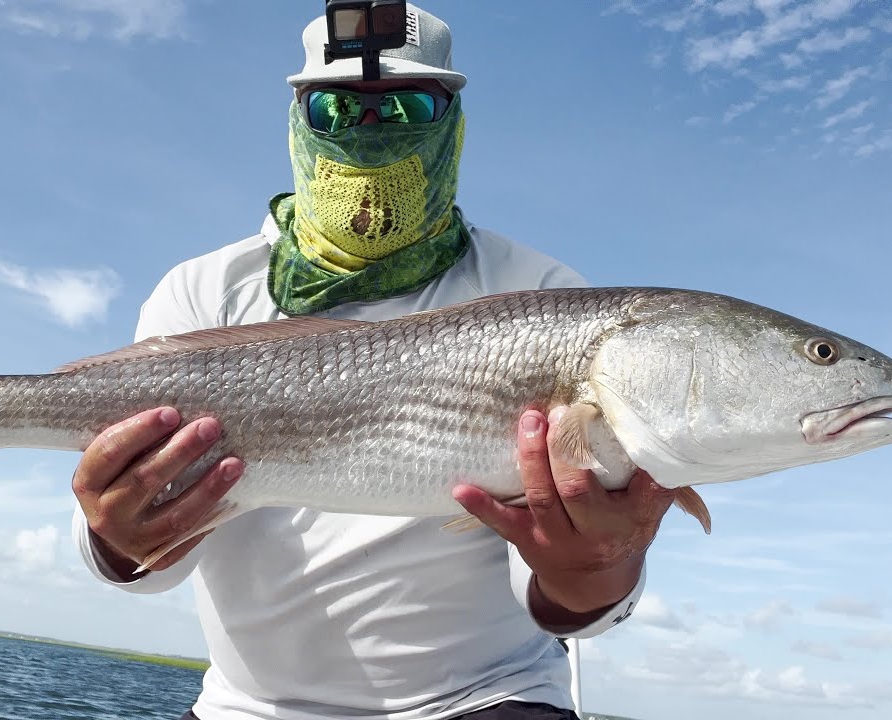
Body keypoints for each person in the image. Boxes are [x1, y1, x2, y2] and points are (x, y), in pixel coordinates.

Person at [70, 5, 676, 719]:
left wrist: (596, 569)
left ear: (453, 121)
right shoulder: (203, 291)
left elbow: (572, 598)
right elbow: (147, 563)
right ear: (297, 118)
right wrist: (116, 533)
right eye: (333, 108)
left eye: (404, 107)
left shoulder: (545, 298)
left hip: (485, 697)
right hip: (248, 705)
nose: (367, 129)